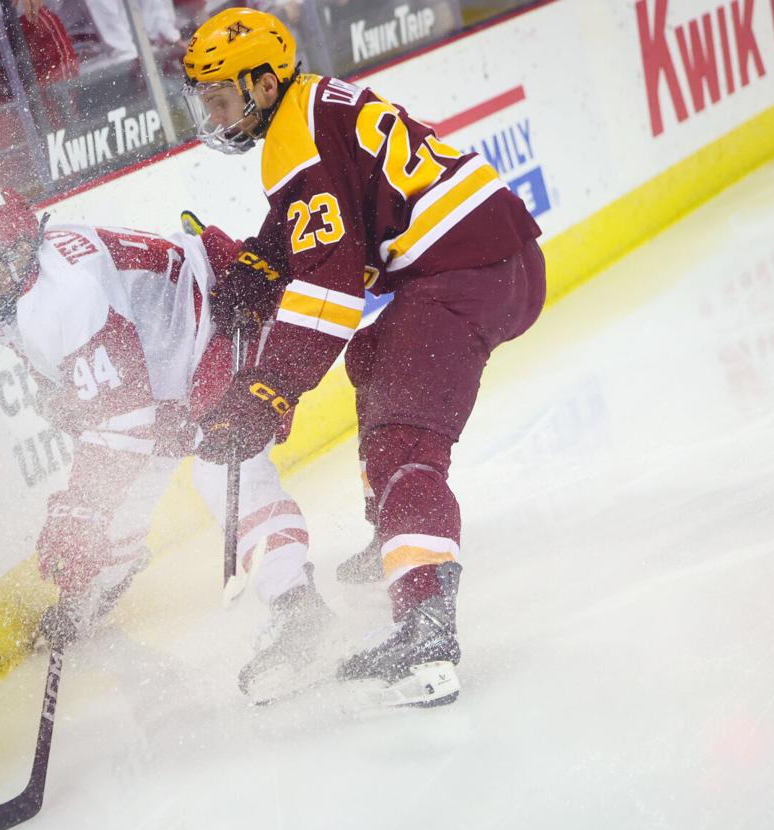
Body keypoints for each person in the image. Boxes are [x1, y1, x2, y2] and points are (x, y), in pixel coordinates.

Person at [181, 8, 545, 706]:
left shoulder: (292, 140)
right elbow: (327, 212)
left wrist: (268, 390)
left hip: (467, 272)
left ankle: (426, 628)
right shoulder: (313, 100)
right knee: (375, 358)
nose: (212, 114)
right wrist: (266, 258)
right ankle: (393, 533)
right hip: (493, 257)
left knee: (405, 439)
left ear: (261, 84)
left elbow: (329, 287)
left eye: (220, 97)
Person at [0, 187, 335, 698]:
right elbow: (110, 406)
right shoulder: (20, 286)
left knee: (220, 470)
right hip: (168, 369)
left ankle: (297, 605)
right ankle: (94, 592)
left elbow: (123, 425)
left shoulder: (64, 292)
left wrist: (79, 514)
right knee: (124, 489)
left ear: (18, 249)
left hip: (221, 325)